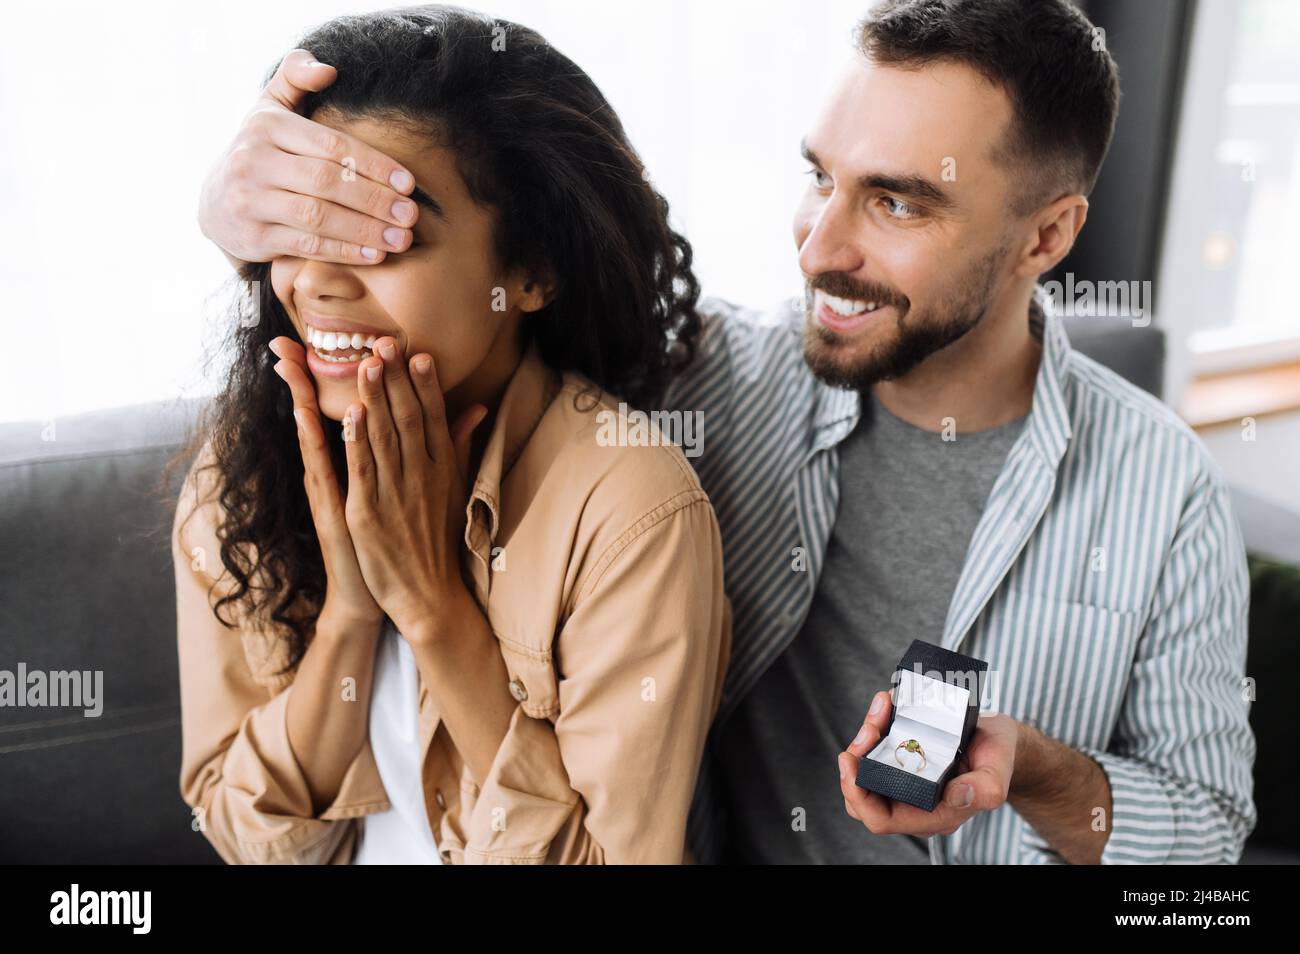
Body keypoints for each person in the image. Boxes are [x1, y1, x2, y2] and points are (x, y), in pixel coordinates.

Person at [197, 0, 1257, 865]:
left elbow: (1208, 836)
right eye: (819, 178)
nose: (819, 247)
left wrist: (1032, 769)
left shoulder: (1161, 491)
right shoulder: (706, 378)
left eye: (896, 204)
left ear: (1049, 234)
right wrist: (244, 215)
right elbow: (534, 224)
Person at [172, 5, 729, 865]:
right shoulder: (240, 466)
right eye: (301, 225)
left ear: (533, 271)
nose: (314, 280)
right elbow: (245, 834)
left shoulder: (627, 510)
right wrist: (353, 610)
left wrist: (430, 606)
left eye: (381, 236)